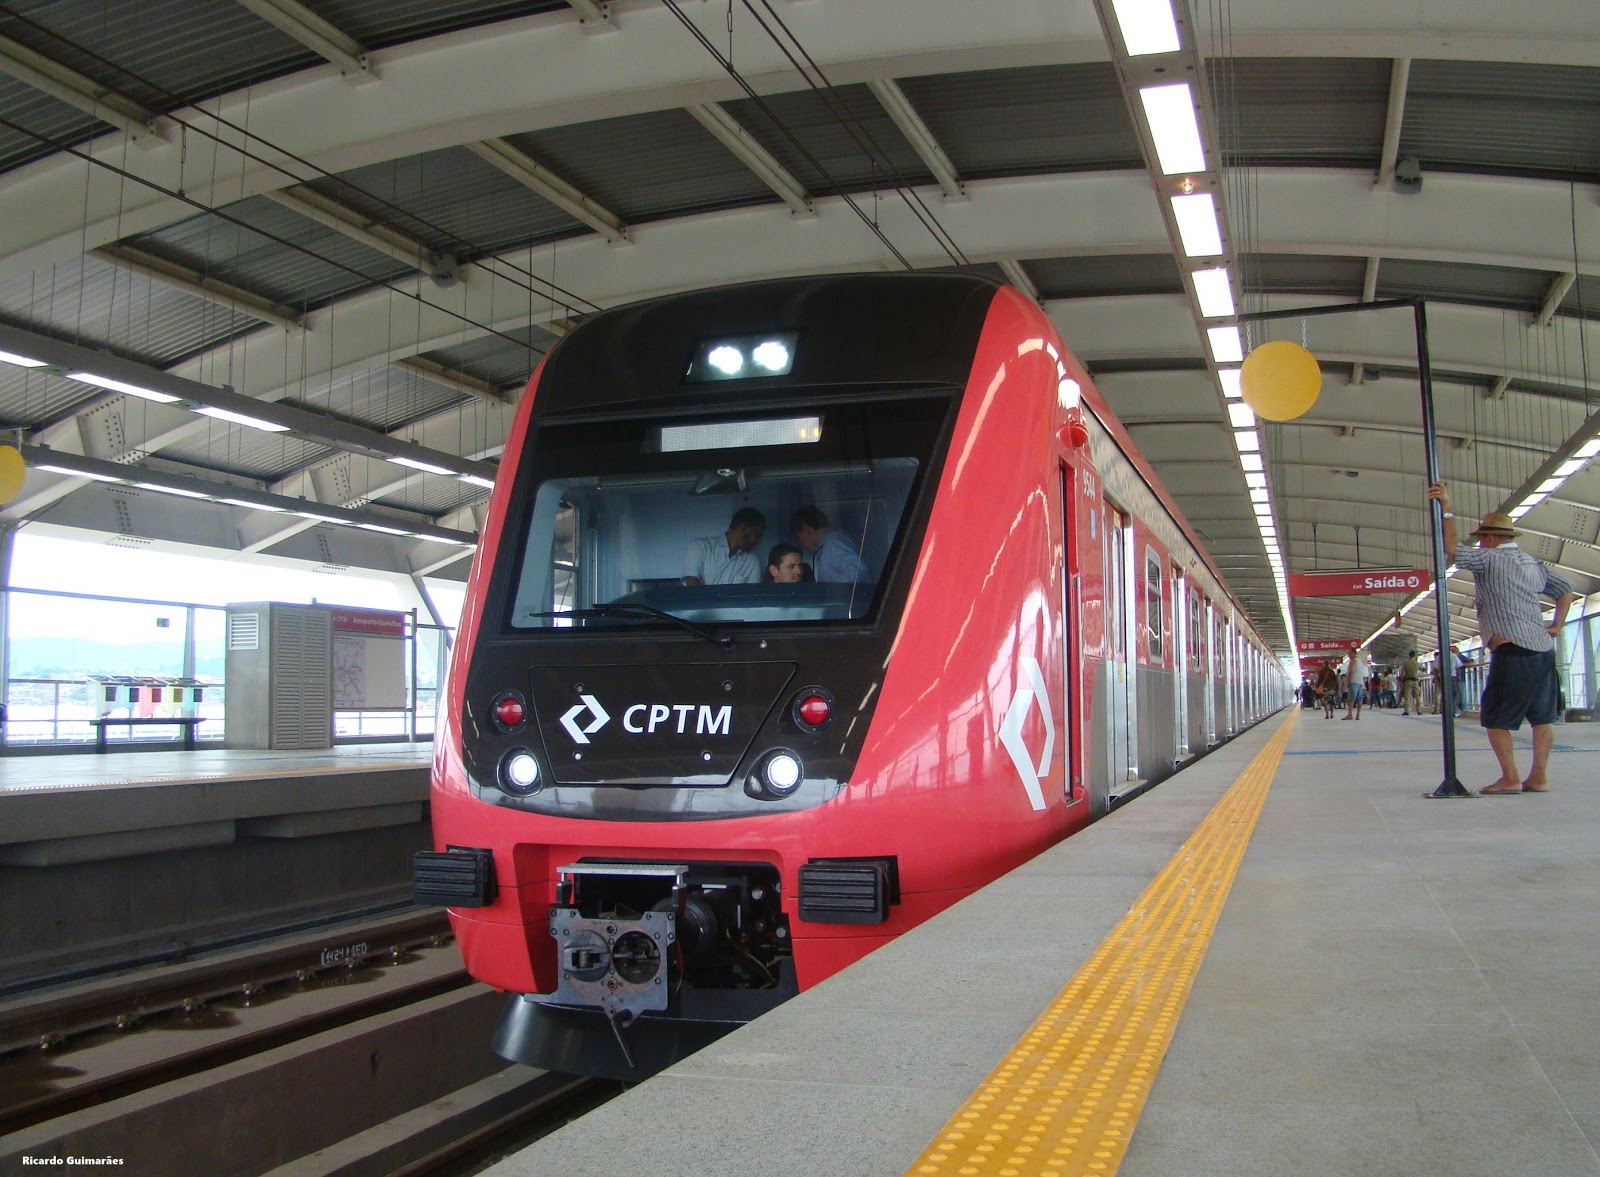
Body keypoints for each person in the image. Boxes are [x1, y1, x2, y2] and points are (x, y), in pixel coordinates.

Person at [1427, 482, 1578, 794]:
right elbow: (1566, 591)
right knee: (1541, 718)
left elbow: (1451, 547)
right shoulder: (1533, 564)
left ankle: (1510, 777)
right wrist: (1557, 625)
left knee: (1494, 718)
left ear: (1492, 539)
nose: (1480, 543)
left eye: (1482, 538)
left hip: (1513, 650)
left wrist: (1447, 508)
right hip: (1542, 648)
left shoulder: (1490, 559)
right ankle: (1539, 777)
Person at [683, 507, 765, 585]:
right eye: (757, 535)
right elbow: (692, 583)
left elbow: (751, 595)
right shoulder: (699, 547)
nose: (757, 541)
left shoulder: (752, 562)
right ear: (745, 529)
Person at [790, 505, 868, 583]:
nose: (801, 544)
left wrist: (836, 590)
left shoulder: (832, 541)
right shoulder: (826, 546)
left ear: (808, 530)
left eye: (799, 538)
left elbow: (859, 570)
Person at [1343, 644, 1369, 720]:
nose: (1348, 655)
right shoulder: (1360, 662)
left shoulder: (1353, 661)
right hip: (1360, 682)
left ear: (1353, 653)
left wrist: (1348, 681)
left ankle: (1350, 714)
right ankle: (1358, 715)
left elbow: (1351, 671)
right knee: (1359, 699)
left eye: (1349, 653)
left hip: (1353, 681)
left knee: (1351, 699)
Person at [1399, 650, 1422, 715]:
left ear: (1409, 655)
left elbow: (1402, 672)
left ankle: (1407, 710)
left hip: (1408, 681)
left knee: (1407, 696)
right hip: (1415, 681)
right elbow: (1423, 669)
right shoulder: (1417, 663)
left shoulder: (1406, 662)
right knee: (1417, 696)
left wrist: (1400, 678)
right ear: (1414, 656)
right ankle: (1419, 710)